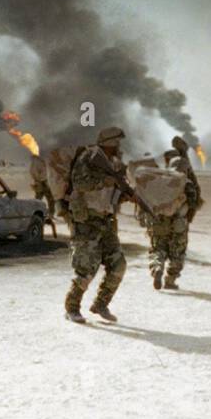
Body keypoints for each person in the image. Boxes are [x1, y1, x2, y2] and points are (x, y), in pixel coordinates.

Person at [62, 127, 129, 324]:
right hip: (86, 221)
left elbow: (113, 195)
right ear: (110, 142)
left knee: (118, 265)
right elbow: (79, 183)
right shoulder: (88, 157)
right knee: (86, 269)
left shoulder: (115, 164)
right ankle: (72, 308)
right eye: (117, 142)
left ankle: (100, 304)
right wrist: (105, 180)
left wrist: (124, 195)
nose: (119, 146)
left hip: (106, 221)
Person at [145, 155, 197, 290]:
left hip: (159, 221)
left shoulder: (159, 181)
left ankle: (157, 268)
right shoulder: (187, 183)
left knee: (158, 249)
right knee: (178, 254)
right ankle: (170, 280)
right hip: (178, 223)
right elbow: (193, 203)